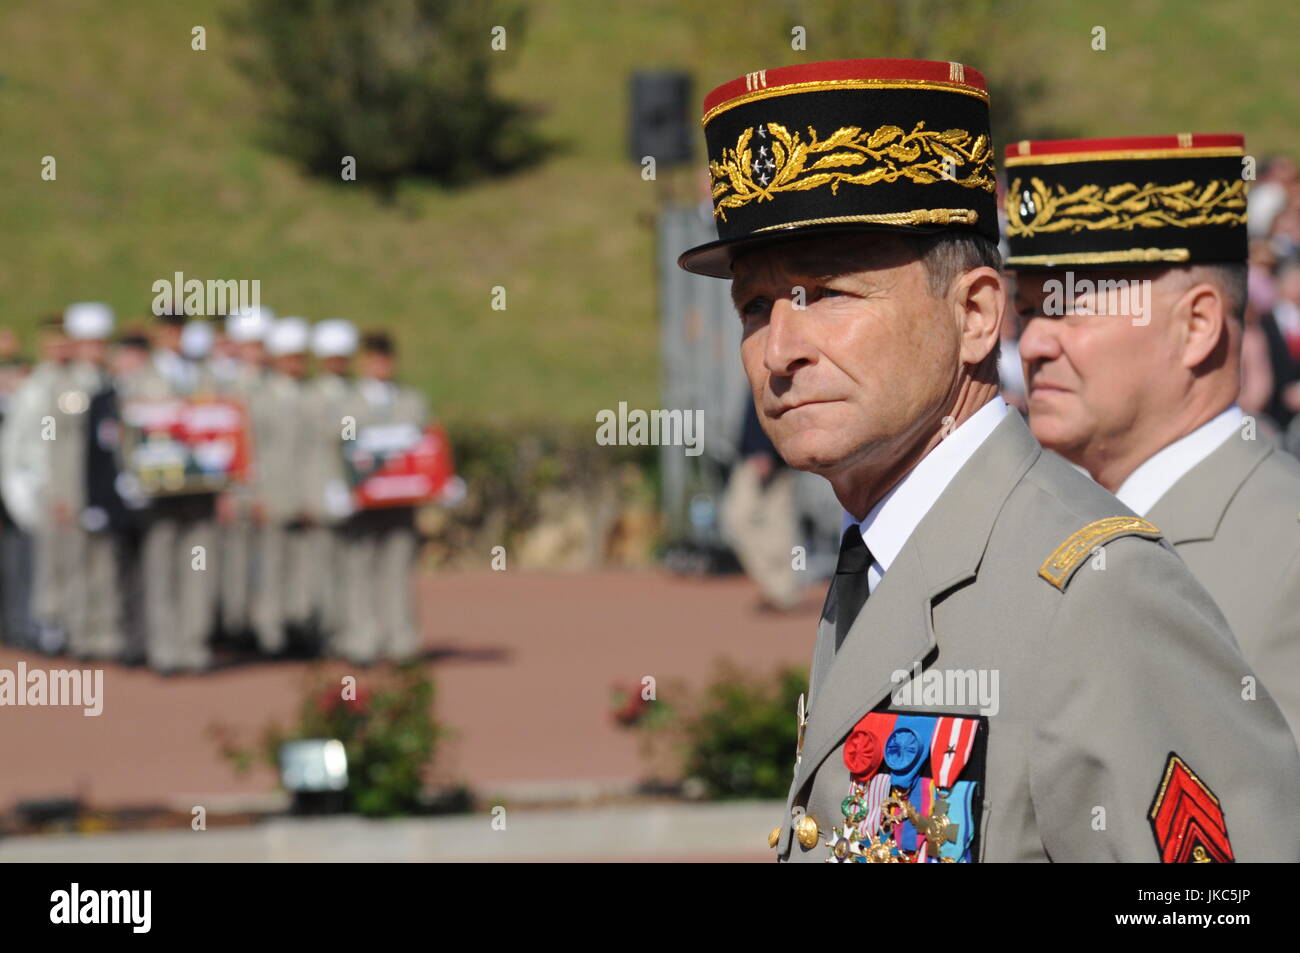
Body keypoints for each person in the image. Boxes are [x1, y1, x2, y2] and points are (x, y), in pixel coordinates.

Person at [677, 58, 1300, 862]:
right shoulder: (883, 554)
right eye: (755, 306)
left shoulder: (1095, 592)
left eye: (827, 292)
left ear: (974, 315)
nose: (780, 349)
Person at [1009, 133, 1300, 740]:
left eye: (1068, 307)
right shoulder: (1034, 529)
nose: (1034, 343)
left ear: (1196, 326)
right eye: (1028, 309)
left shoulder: (1285, 549)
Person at [120, 311, 219, 672]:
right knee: (161, 570)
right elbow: (128, 428)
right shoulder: (140, 377)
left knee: (197, 568)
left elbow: (225, 423)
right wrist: (131, 474)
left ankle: (193, 646)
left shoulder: (205, 374)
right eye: (167, 329)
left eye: (179, 329)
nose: (174, 336)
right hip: (160, 491)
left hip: (200, 490)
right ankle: (164, 649)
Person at [335, 330, 429, 663]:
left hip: (400, 502)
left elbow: (425, 448)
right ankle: (362, 638)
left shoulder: (410, 400)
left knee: (398, 568)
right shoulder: (348, 403)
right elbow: (337, 447)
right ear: (364, 361)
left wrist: (441, 482)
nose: (381, 363)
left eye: (386, 356)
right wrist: (336, 486)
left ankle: (401, 638)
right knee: (360, 569)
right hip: (362, 503)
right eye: (374, 356)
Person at [249, 317, 313, 655]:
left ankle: (299, 625)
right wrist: (254, 494)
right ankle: (268, 632)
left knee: (302, 566)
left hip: (305, 495)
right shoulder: (259, 397)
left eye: (300, 357)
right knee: (270, 566)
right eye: (289, 357)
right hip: (271, 494)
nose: (295, 364)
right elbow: (250, 449)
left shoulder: (311, 396)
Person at [302, 318, 359, 650]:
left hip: (357, 497)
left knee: (353, 568)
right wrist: (312, 493)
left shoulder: (357, 393)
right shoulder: (310, 397)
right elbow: (303, 449)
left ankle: (354, 632)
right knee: (320, 570)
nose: (338, 363)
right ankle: (325, 634)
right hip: (322, 493)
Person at [720, 396, 803, 611]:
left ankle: (783, 590)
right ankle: (777, 587)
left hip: (768, 458)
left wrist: (763, 450)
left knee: (777, 526)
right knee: (746, 523)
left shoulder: (774, 365)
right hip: (763, 456)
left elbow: (769, 402)